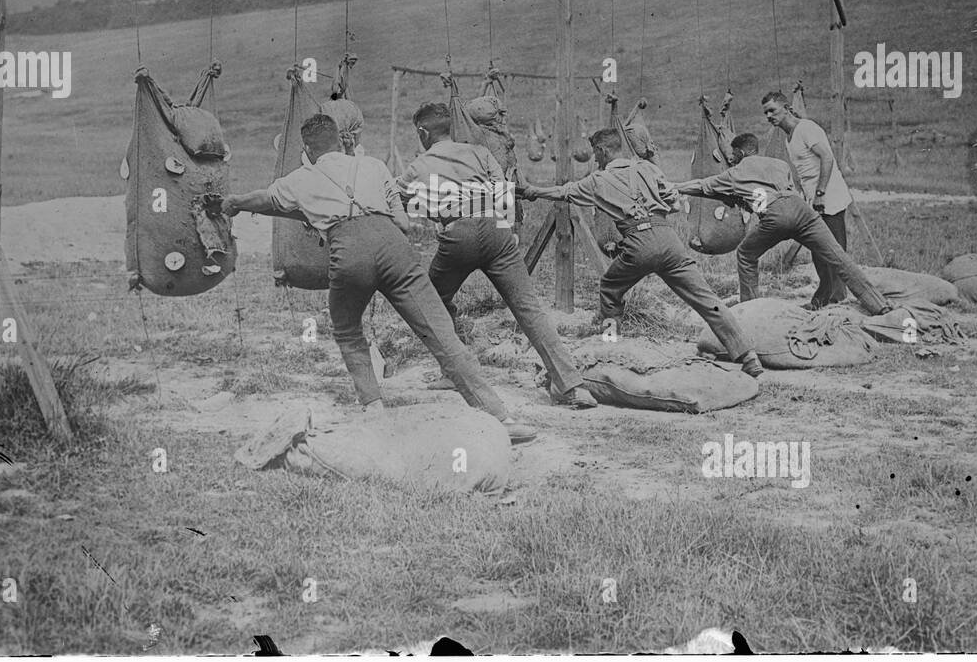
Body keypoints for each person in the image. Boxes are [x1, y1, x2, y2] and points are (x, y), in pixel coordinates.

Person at [224, 113, 536, 443]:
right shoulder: (372, 166)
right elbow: (401, 221)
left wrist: (234, 203)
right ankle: (500, 417)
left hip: (349, 253)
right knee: (440, 331)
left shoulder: (301, 178)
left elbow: (267, 199)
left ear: (307, 148)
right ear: (340, 141)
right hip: (394, 247)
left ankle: (373, 407)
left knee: (346, 328)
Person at [518, 128, 765, 377]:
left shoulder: (598, 179)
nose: (595, 159)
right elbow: (674, 200)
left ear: (603, 151)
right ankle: (747, 354)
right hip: (669, 240)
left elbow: (563, 192)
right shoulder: (647, 168)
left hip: (638, 242)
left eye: (596, 153)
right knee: (707, 299)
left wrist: (531, 191)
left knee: (610, 288)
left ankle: (609, 344)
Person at [399, 103, 597, 409]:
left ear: (423, 133)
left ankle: (457, 373)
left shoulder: (418, 165)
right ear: (450, 129)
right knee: (528, 309)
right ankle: (572, 386)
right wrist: (506, 231)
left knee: (432, 301)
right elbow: (501, 189)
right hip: (497, 231)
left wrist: (437, 214)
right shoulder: (479, 153)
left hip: (458, 235)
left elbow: (399, 202)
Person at [673, 132, 890, 315]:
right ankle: (879, 305)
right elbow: (774, 191)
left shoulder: (735, 173)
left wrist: (675, 187)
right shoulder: (780, 164)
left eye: (733, 156)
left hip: (776, 214)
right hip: (802, 211)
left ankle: (750, 311)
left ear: (740, 153)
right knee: (838, 256)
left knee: (746, 255)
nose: (732, 160)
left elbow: (701, 186)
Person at [762, 90, 853, 309]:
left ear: (786, 108)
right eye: (765, 113)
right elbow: (803, 172)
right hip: (814, 199)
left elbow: (827, 158)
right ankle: (831, 297)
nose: (769, 116)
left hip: (829, 196)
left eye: (772, 110)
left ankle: (832, 300)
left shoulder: (806, 129)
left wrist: (821, 193)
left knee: (834, 249)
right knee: (818, 250)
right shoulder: (788, 138)